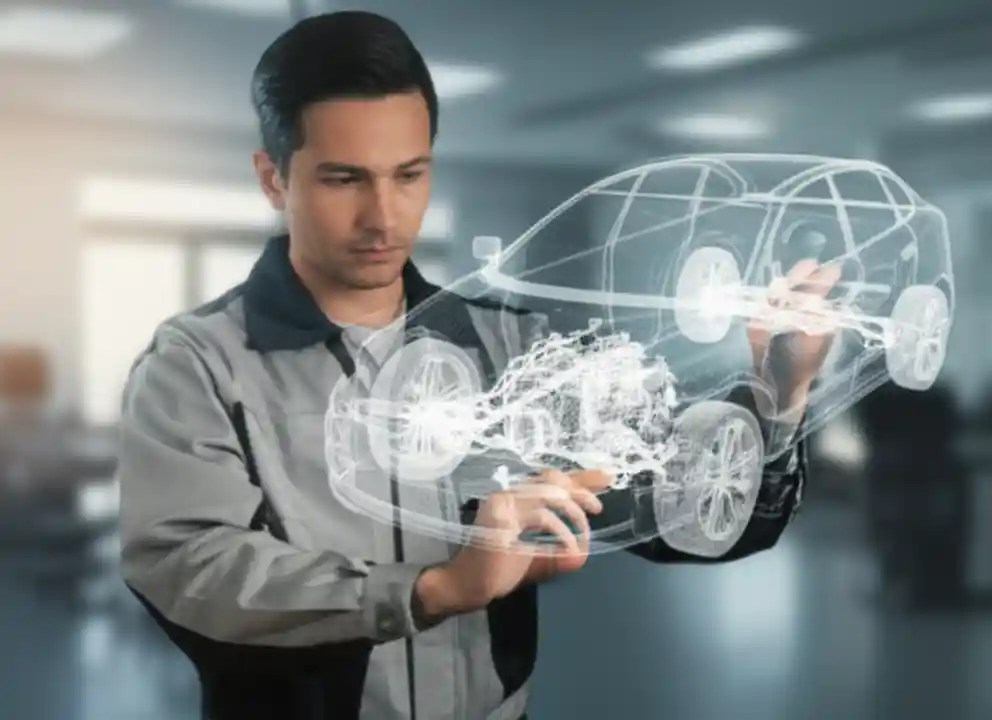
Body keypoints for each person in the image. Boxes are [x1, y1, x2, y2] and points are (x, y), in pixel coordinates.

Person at [116, 11, 833, 720]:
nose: (385, 217)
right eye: (344, 180)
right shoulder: (199, 364)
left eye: (409, 175)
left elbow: (681, 516)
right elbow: (193, 572)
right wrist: (431, 589)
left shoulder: (508, 349)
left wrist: (779, 391)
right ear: (273, 179)